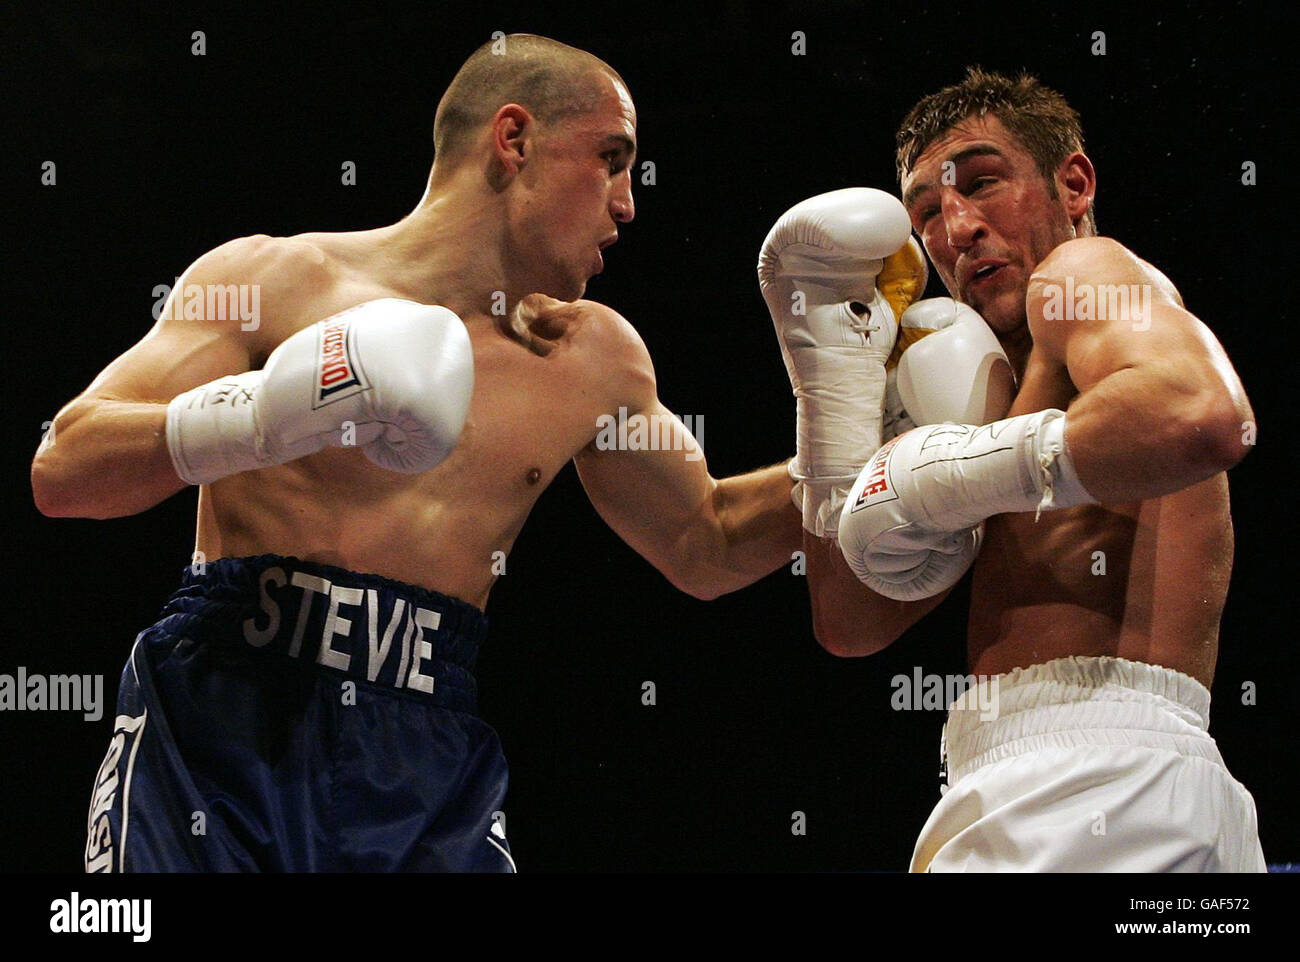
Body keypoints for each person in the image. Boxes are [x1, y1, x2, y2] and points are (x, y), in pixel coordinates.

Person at [32, 34, 805, 872]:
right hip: (219, 725)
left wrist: (872, 455)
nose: (628, 203)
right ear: (514, 141)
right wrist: (264, 414)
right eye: (611, 159)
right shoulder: (274, 279)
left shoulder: (593, 359)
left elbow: (709, 542)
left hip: (425, 759)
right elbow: (65, 466)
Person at [764, 67, 1265, 871]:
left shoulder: (1082, 277)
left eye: (983, 184)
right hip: (1025, 784)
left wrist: (971, 467)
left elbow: (1202, 414)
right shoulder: (977, 389)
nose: (956, 228)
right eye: (927, 211)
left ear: (1073, 183)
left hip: (1103, 779)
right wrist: (833, 394)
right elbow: (849, 622)